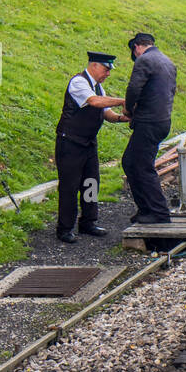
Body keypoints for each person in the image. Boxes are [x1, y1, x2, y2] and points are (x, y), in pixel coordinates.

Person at [55, 51, 127, 244]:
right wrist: (123, 101)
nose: (108, 74)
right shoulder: (79, 83)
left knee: (91, 183)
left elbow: (106, 113)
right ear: (94, 65)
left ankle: (88, 221)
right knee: (69, 186)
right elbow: (94, 102)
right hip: (70, 142)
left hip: (88, 143)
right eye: (106, 69)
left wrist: (123, 118)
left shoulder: (98, 87)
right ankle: (65, 228)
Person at [122, 32, 177, 224]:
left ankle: (158, 211)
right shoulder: (167, 62)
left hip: (149, 122)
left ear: (137, 47)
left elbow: (134, 88)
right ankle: (146, 209)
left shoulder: (145, 60)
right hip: (162, 121)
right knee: (131, 162)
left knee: (140, 166)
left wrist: (129, 109)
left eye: (134, 52)